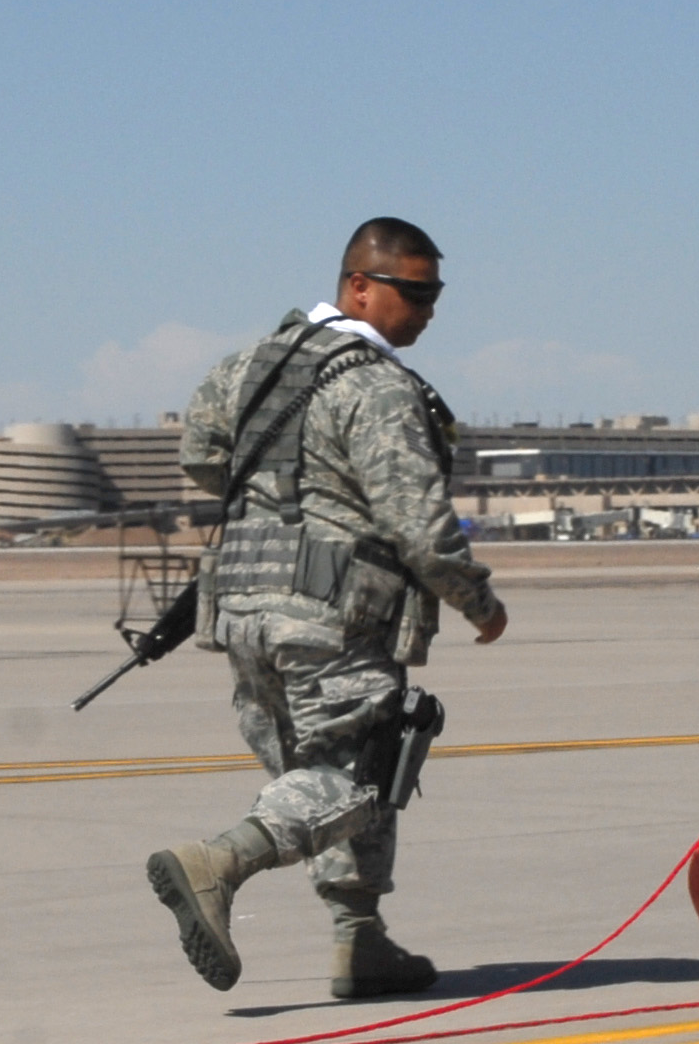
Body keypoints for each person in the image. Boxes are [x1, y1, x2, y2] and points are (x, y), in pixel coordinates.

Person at [145, 218, 509, 1000]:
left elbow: (202, 454)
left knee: (327, 770)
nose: (428, 310)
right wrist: (475, 599)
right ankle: (218, 864)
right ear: (359, 285)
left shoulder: (248, 366)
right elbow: (417, 518)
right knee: (352, 775)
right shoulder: (376, 387)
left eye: (436, 294)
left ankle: (360, 939)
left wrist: (290, 500)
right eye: (414, 292)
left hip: (242, 603)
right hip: (331, 611)